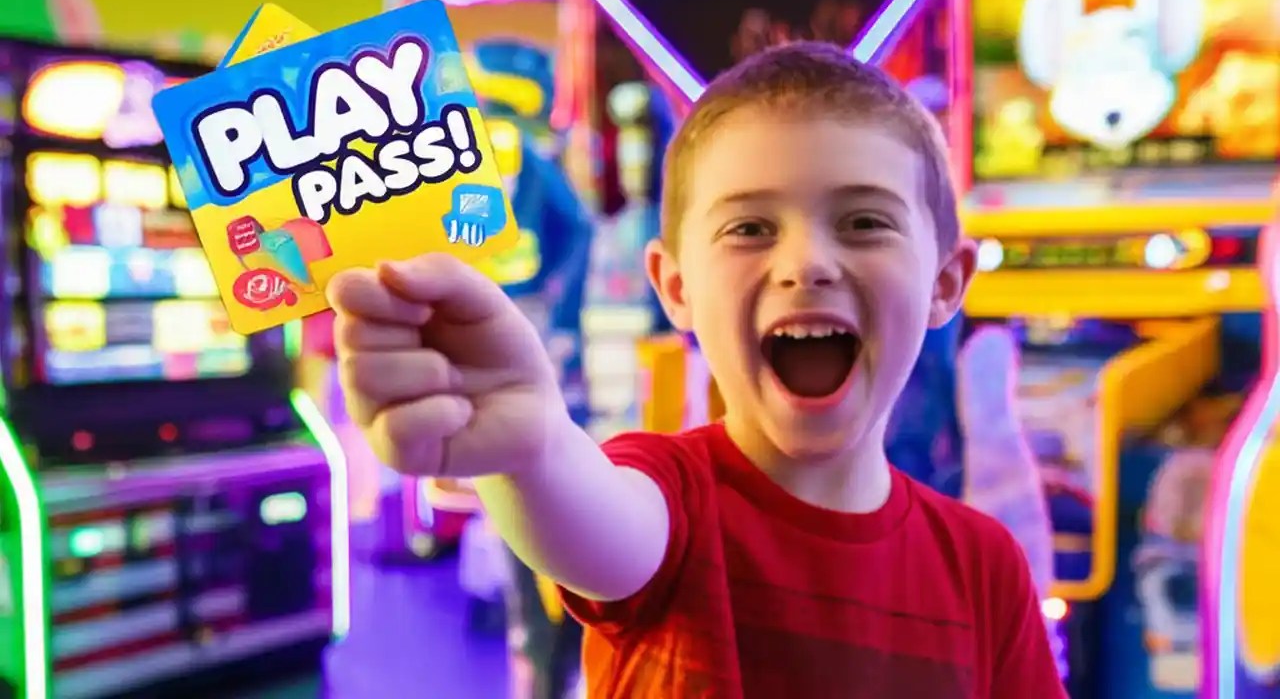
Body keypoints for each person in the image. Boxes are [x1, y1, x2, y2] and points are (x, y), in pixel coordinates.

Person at [328, 42, 1066, 698]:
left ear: (945, 280)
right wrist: (528, 446)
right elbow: (592, 522)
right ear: (676, 286)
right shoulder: (669, 499)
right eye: (749, 228)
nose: (806, 262)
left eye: (864, 222)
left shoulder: (984, 567)